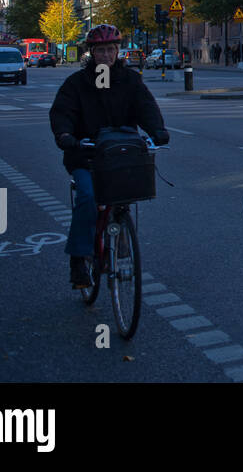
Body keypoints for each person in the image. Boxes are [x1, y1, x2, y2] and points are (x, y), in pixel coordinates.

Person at [49, 24, 169, 289]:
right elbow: (62, 113)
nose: (107, 56)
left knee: (126, 193)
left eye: (111, 50)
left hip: (120, 153)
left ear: (118, 51)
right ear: (92, 53)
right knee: (88, 198)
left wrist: (158, 130)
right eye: (101, 50)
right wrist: (66, 136)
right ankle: (79, 259)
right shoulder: (77, 83)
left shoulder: (130, 80)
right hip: (86, 154)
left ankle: (120, 234)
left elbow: (146, 106)